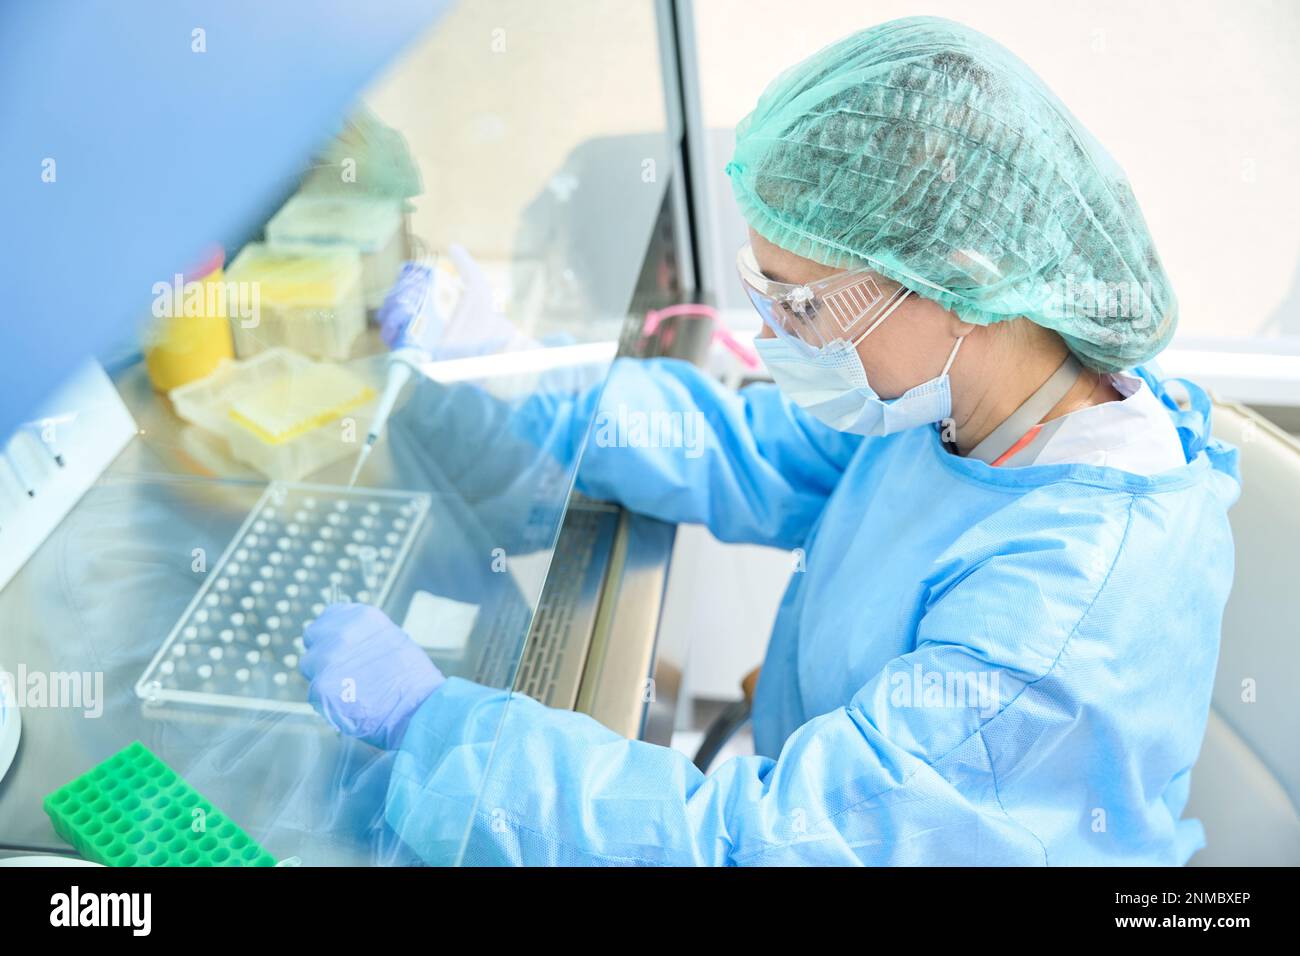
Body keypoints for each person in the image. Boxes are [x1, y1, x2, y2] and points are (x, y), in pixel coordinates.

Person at [301, 16, 1239, 865]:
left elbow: (751, 850)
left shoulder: (1054, 630)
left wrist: (440, 731)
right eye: (768, 293)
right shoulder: (980, 401)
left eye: (806, 301)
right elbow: (744, 450)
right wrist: (515, 366)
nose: (778, 336)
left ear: (961, 281)